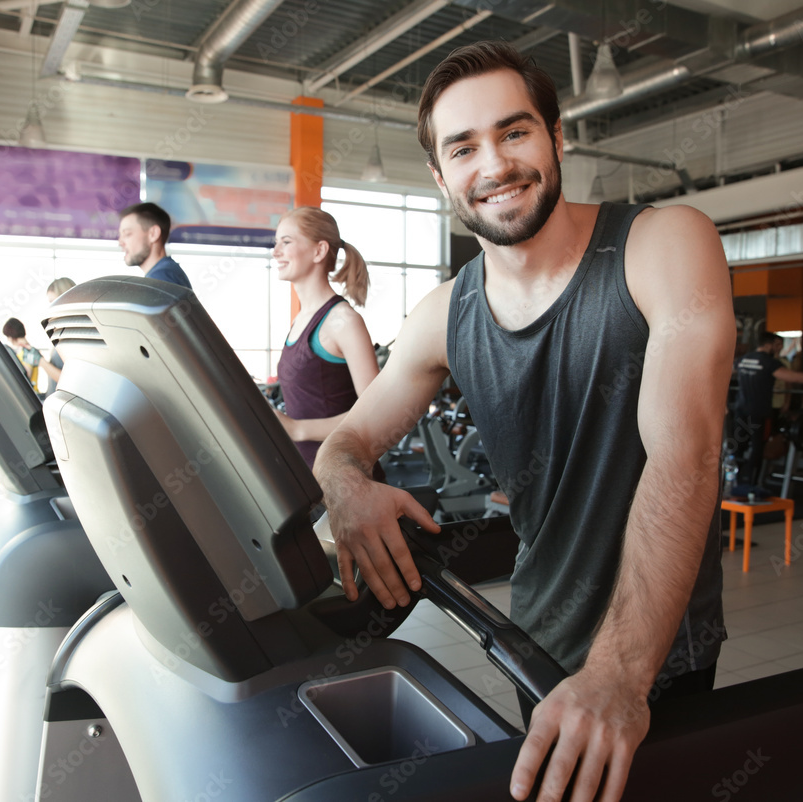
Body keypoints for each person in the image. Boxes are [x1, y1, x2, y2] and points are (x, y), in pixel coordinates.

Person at [313, 40, 735, 802]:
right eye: (464, 147)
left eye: (515, 132)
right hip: (532, 636)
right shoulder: (444, 313)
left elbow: (687, 457)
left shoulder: (662, 244)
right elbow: (349, 438)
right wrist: (346, 484)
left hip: (657, 649)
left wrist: (618, 674)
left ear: (556, 137)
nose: (496, 164)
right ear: (441, 177)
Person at [272, 207, 380, 469]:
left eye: (286, 242)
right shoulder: (301, 319)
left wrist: (297, 429)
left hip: (344, 477)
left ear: (319, 251)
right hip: (309, 474)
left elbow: (378, 413)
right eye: (276, 243)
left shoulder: (343, 321)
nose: (276, 252)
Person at [734, 331, 803, 486]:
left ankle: (734, 482)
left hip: (741, 411)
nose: (779, 349)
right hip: (759, 414)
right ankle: (750, 485)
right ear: (769, 344)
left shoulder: (744, 360)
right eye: (777, 345)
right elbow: (794, 377)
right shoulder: (769, 362)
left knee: (738, 448)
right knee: (758, 449)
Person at [117, 202, 192, 289]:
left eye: (127, 234)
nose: (120, 242)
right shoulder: (168, 273)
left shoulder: (160, 279)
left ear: (153, 234)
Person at [38, 277, 76, 393]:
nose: (51, 308)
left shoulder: (74, 334)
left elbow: (70, 381)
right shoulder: (62, 331)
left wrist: (41, 362)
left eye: (54, 302)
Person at [2, 317, 44, 393]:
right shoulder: (28, 349)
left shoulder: (27, 351)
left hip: (32, 395)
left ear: (11, 337)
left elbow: (25, 379)